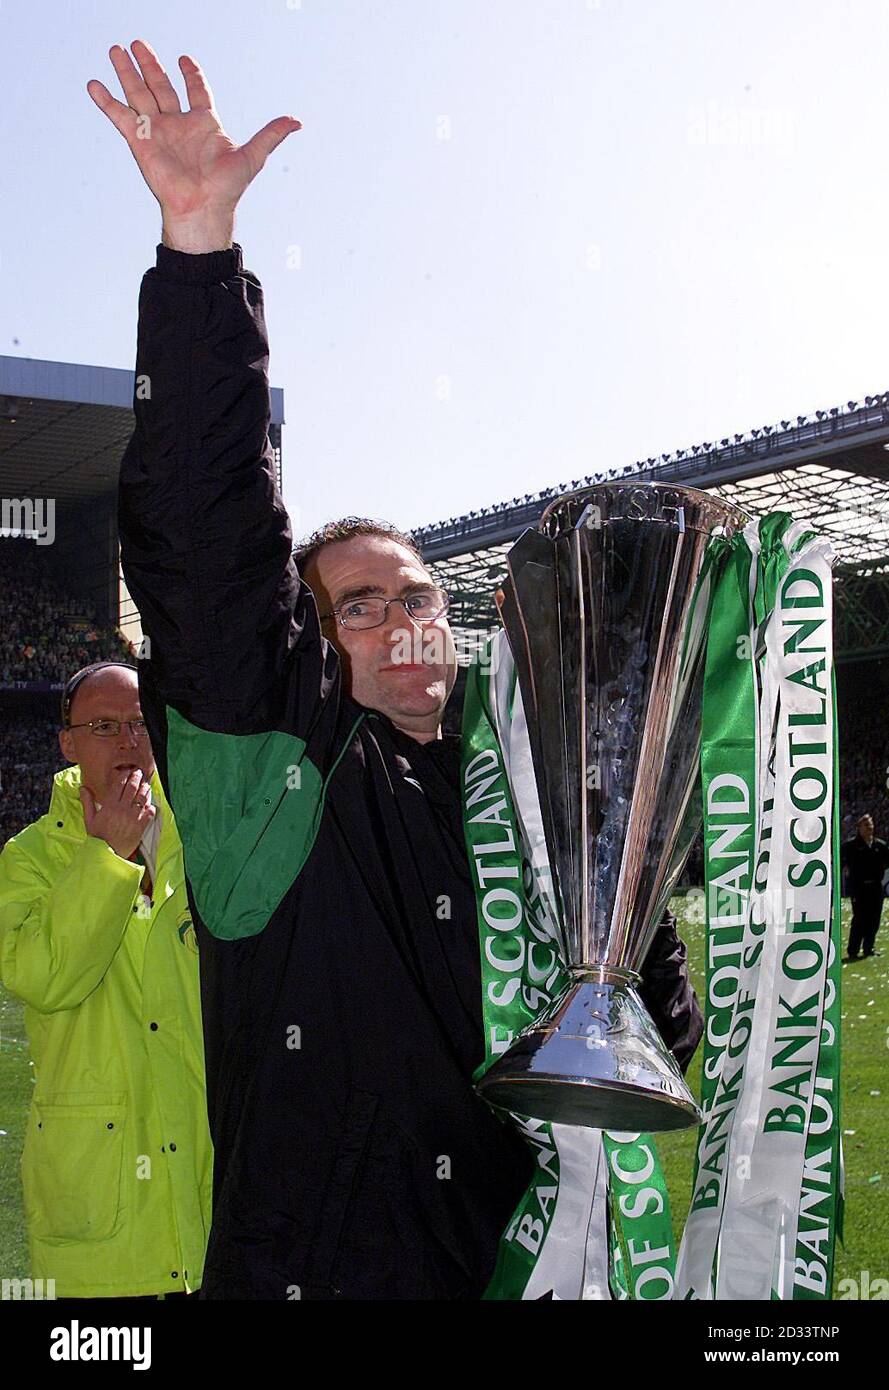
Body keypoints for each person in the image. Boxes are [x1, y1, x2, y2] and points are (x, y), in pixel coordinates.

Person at [88, 40, 703, 1300]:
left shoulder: (528, 796)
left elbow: (657, 1033)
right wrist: (199, 252)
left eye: (418, 593)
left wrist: (635, 939)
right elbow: (207, 552)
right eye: (357, 605)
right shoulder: (276, 783)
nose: (401, 617)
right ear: (310, 644)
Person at [0, 661, 212, 1298]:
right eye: (104, 726)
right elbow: (44, 977)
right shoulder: (27, 858)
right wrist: (107, 857)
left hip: (207, 1176)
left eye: (142, 724)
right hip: (98, 1187)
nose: (128, 741)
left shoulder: (199, 839)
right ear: (67, 741)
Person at [841, 813, 889, 960]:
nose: (870, 828)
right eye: (866, 825)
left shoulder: (879, 845)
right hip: (859, 888)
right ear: (859, 828)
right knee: (860, 919)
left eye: (871, 825)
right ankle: (853, 950)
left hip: (875, 887)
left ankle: (869, 947)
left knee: (874, 919)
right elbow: (842, 861)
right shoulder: (850, 846)